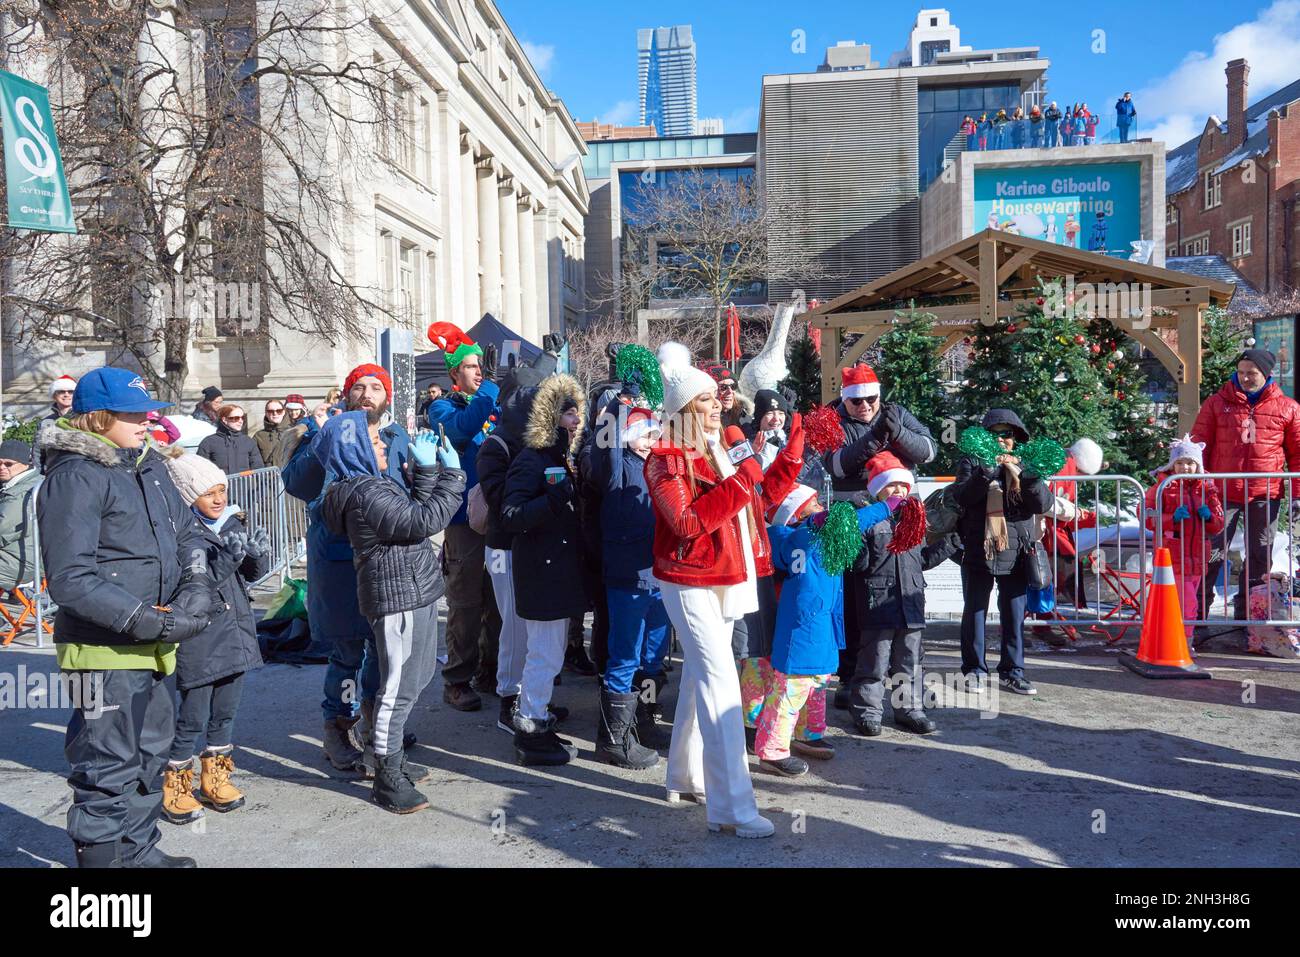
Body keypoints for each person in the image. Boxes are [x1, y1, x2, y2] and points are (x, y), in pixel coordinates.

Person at [37, 367, 216, 868]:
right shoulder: (75, 475)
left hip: (155, 645)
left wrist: (197, 585)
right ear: (99, 417)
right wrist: (148, 620)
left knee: (150, 757)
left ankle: (137, 853)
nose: (146, 421)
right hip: (102, 650)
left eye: (146, 412)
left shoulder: (149, 466)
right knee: (106, 766)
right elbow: (71, 579)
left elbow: (189, 534)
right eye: (133, 414)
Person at [645, 362, 802, 838]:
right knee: (720, 684)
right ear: (688, 407)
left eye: (719, 396)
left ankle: (686, 776)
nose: (721, 403)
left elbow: (757, 500)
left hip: (727, 575)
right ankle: (732, 809)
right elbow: (687, 523)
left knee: (700, 675)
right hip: (689, 579)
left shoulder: (719, 446)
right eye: (710, 398)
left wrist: (790, 457)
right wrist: (740, 480)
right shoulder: (665, 457)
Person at [320, 413, 465, 812]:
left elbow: (411, 516)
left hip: (412, 590)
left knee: (415, 679)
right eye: (373, 440)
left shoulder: (373, 485)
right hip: (397, 599)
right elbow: (424, 520)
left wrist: (424, 474)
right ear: (354, 449)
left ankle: (392, 757)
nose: (383, 444)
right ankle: (385, 774)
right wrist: (449, 473)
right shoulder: (366, 491)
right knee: (396, 691)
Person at [282, 363, 411, 772]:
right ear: (345, 394)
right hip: (339, 562)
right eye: (360, 387)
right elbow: (297, 484)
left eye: (376, 387)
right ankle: (338, 725)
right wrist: (322, 436)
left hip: (386, 559)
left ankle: (377, 729)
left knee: (385, 651)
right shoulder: (325, 434)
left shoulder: (395, 436)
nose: (368, 394)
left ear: (387, 396)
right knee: (347, 652)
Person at [159, 451, 269, 825]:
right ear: (189, 497)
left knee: (225, 714)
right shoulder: (181, 536)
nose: (219, 498)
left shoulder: (229, 522)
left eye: (221, 490)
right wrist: (224, 563)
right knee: (191, 718)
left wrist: (257, 556)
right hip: (201, 644)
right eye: (209, 493)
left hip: (234, 638)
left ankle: (216, 777)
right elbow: (193, 591)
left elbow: (248, 577)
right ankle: (176, 784)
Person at [755, 486, 895, 775]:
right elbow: (855, 520)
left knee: (818, 682)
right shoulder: (804, 535)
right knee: (792, 690)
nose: (822, 507)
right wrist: (889, 505)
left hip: (821, 623)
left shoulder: (799, 535)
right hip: (804, 626)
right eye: (814, 503)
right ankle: (772, 750)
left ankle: (809, 733)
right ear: (798, 513)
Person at [823, 363, 936, 709]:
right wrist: (872, 441)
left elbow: (930, 451)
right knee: (856, 601)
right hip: (856, 517)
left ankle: (904, 687)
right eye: (857, 402)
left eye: (871, 399)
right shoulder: (832, 419)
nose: (866, 407)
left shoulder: (896, 412)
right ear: (846, 400)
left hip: (901, 514)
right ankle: (851, 679)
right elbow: (837, 465)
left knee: (904, 599)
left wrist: (899, 433)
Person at [500, 373, 588, 766]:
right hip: (541, 573)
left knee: (549, 655)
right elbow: (511, 515)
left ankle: (536, 716)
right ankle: (530, 729)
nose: (576, 421)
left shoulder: (558, 457)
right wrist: (552, 500)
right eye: (568, 413)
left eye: (576, 413)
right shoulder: (531, 458)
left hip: (557, 572)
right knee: (544, 656)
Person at [846, 453, 957, 736]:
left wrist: (951, 543)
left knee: (908, 663)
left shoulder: (913, 520)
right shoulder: (867, 521)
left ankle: (908, 710)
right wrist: (853, 537)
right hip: (878, 603)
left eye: (902, 486)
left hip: (911, 603)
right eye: (891, 486)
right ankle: (867, 712)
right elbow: (858, 565)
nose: (898, 491)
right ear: (877, 490)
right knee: (874, 661)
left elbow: (922, 561)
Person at [426, 323, 505, 710]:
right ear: (454, 373)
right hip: (462, 521)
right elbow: (463, 427)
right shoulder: (443, 407)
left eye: (482, 368)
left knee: (497, 600)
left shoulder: (492, 404)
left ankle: (489, 671)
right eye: (473, 368)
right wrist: (489, 388)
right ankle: (457, 678)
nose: (479, 373)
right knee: (465, 602)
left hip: (498, 516)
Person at [951, 409, 1054, 696]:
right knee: (975, 612)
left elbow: (1042, 503)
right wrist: (984, 474)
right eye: (995, 434)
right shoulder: (972, 461)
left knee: (1013, 614)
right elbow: (962, 497)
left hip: (1018, 551)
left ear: (1016, 437)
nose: (1001, 440)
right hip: (978, 548)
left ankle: (1013, 671)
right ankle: (974, 670)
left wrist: (1029, 478)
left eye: (1007, 434)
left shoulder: (1026, 462)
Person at [1193, 349, 1300, 625]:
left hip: (1265, 492)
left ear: (1266, 374)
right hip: (1222, 493)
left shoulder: (1288, 408)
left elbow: (1298, 454)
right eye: (1241, 372)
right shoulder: (1217, 403)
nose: (1245, 378)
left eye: (1251, 373)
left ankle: (1251, 618)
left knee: (1259, 557)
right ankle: (1197, 617)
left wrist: (1298, 494)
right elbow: (1198, 445)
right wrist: (1196, 487)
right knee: (1211, 554)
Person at [588, 405, 669, 769]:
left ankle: (644, 719)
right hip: (628, 577)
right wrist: (623, 404)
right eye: (645, 433)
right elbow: (605, 447)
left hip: (660, 576)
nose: (652, 440)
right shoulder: (616, 466)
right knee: (625, 657)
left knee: (653, 657)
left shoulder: (660, 465)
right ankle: (613, 739)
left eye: (655, 433)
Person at [1145, 435, 1224, 643]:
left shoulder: (1207, 489)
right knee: (1186, 601)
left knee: (1189, 600)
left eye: (1190, 463)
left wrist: (1209, 518)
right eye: (1180, 462)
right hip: (1172, 555)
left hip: (1197, 556)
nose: (1185, 467)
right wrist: (1170, 518)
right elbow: (1146, 516)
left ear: (1197, 465)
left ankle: (1179, 639)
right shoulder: (1163, 487)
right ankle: (1183, 640)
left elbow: (1219, 524)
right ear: (1173, 464)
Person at [0, 440, 40, 594]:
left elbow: (3, 530)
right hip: (17, 555)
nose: (2, 468)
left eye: (8, 464)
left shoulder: (23, 493)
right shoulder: (19, 484)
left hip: (21, 562)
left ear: (25, 463)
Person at [197, 404, 264, 474]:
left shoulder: (248, 441)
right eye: (236, 418)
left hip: (244, 484)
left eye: (242, 418)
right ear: (225, 419)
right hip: (222, 484)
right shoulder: (209, 442)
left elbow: (258, 468)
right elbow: (201, 470)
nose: (240, 421)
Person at [701, 363, 752, 431]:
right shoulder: (699, 418)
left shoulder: (743, 415)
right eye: (723, 387)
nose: (730, 391)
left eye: (733, 386)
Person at [253, 400, 289, 465]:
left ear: (283, 412)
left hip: (290, 474)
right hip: (269, 474)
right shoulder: (259, 436)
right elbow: (254, 461)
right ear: (266, 414)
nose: (275, 413)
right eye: (270, 411)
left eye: (279, 411)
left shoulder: (293, 431)